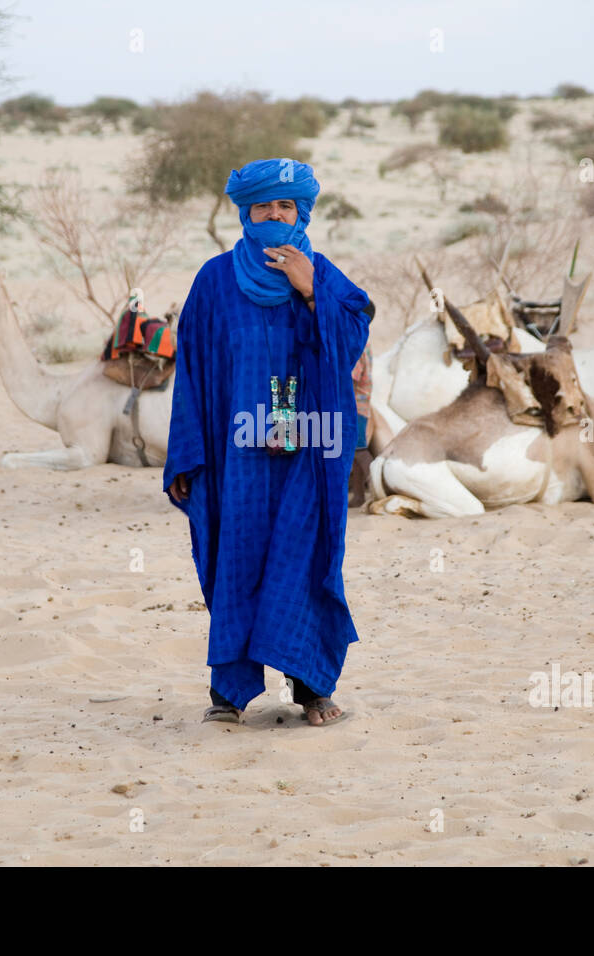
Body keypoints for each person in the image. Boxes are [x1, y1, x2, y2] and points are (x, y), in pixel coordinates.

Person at [163, 157, 374, 726]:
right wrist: (187, 451)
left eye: (286, 207)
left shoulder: (321, 272)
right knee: (239, 560)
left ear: (302, 212)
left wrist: (311, 294)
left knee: (304, 560)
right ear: (246, 213)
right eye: (264, 207)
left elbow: (355, 331)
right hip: (239, 457)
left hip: (310, 448)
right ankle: (227, 695)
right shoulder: (214, 281)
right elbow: (195, 369)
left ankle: (311, 690)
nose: (276, 216)